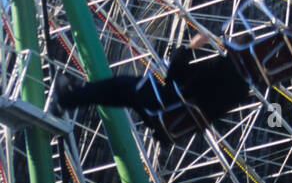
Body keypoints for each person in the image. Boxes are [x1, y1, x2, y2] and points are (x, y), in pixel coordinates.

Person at [55, 31, 251, 143]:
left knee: (119, 86)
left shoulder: (219, 68)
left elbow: (175, 76)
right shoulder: (241, 91)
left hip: (163, 103)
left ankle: (67, 99)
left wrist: (189, 48)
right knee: (121, 94)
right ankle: (72, 97)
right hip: (173, 123)